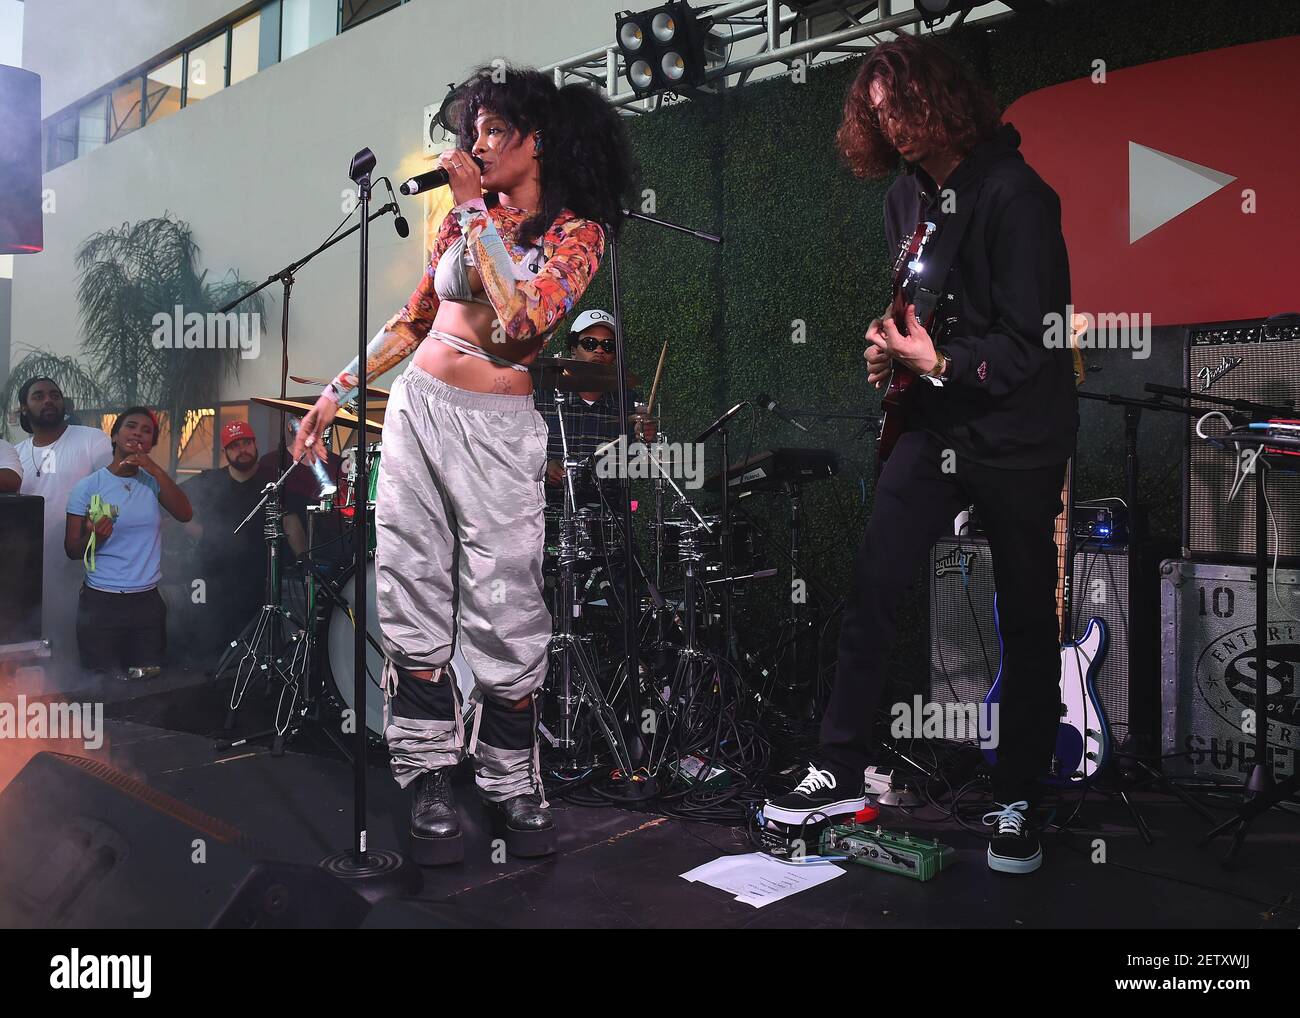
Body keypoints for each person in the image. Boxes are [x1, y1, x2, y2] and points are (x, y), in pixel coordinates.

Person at [291, 65, 634, 864]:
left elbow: (520, 322)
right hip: (420, 411)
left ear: (535, 139)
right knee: (411, 588)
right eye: (469, 131)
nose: (473, 144)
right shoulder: (465, 218)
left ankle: (511, 779)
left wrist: (476, 210)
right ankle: (428, 776)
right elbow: (415, 320)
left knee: (507, 603)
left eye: (490, 131)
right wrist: (337, 391)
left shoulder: (578, 233)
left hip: (499, 426)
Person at [762, 35, 1077, 875]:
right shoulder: (907, 198)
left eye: (899, 106)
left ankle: (1018, 795)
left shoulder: (1018, 196)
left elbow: (1033, 342)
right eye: (875, 114)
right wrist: (888, 346)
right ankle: (837, 759)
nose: (890, 124)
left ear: (940, 99)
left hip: (1015, 432)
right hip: (934, 426)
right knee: (873, 581)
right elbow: (916, 307)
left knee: (1023, 612)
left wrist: (939, 362)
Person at [65, 407, 193, 679]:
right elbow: (72, 549)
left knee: (146, 684)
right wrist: (96, 538)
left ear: (151, 443)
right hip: (100, 602)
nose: (138, 433)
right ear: (114, 436)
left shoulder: (154, 482)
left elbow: (185, 514)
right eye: (131, 426)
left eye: (146, 431)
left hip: (146, 602)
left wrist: (153, 468)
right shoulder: (88, 487)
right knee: (102, 687)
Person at [178, 420, 309, 663]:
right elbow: (176, 505)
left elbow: (290, 521)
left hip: (261, 577)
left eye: (246, 443)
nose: (242, 449)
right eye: (235, 445)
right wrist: (199, 532)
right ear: (225, 452)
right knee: (210, 642)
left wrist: (303, 561)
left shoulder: (274, 481)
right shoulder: (209, 481)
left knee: (259, 647)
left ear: (255, 444)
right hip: (213, 575)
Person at [14, 377, 113, 667]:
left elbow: (112, 488)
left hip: (80, 565)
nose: (48, 400)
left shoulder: (91, 439)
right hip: (28, 571)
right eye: (39, 396)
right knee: (30, 650)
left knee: (73, 651)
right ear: (23, 408)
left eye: (54, 395)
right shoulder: (16, 454)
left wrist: (96, 527)